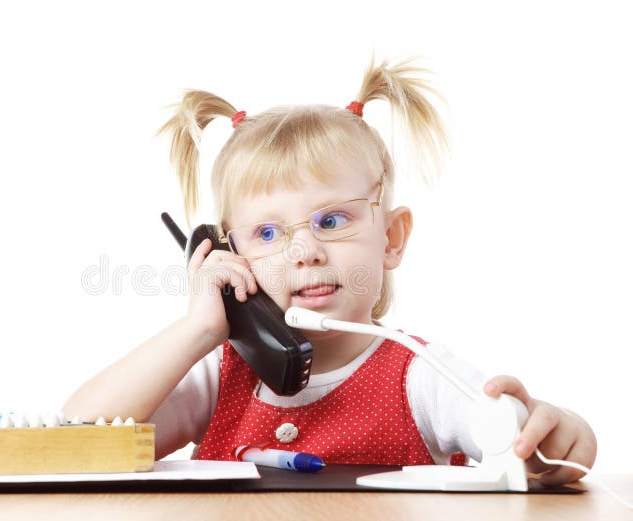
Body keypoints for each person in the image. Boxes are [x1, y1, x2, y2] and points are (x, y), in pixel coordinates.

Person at [63, 57, 596, 485]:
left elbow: (519, 440)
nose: (305, 251)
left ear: (390, 237)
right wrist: (199, 328)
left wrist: (548, 444)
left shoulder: (423, 376)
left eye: (332, 220)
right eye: (267, 234)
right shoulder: (219, 373)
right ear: (230, 257)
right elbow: (77, 439)